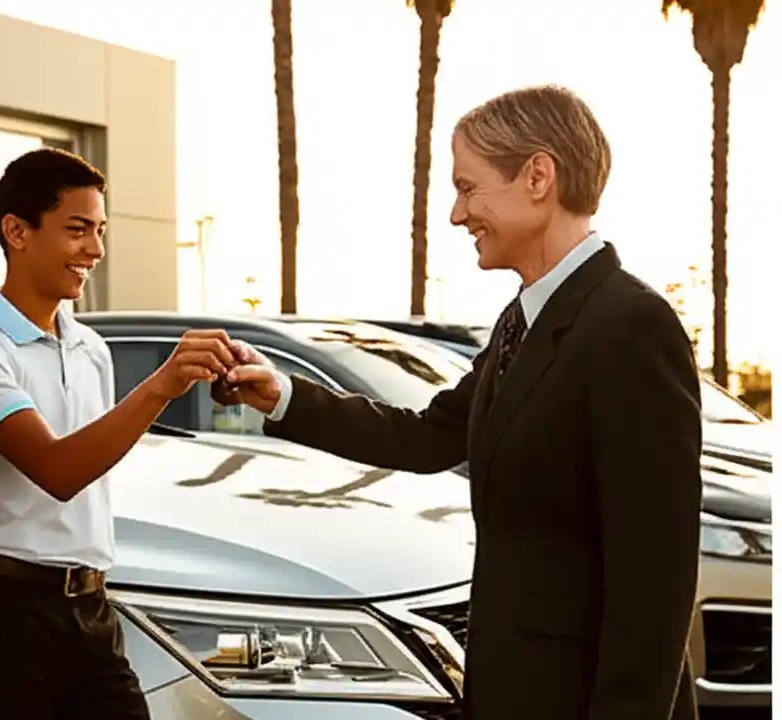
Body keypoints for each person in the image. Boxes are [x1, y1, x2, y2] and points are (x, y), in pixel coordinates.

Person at [218, 85, 702, 720]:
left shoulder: (630, 324)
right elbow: (427, 436)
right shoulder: (522, 321)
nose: (455, 213)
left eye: (469, 188)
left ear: (537, 176)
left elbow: (654, 581)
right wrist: (282, 397)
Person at [0, 147, 233, 719]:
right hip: (11, 613)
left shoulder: (90, 348)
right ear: (17, 231)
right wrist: (162, 385)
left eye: (100, 232)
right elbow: (59, 471)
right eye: (78, 230)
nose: (95, 251)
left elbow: (96, 467)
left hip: (94, 607)